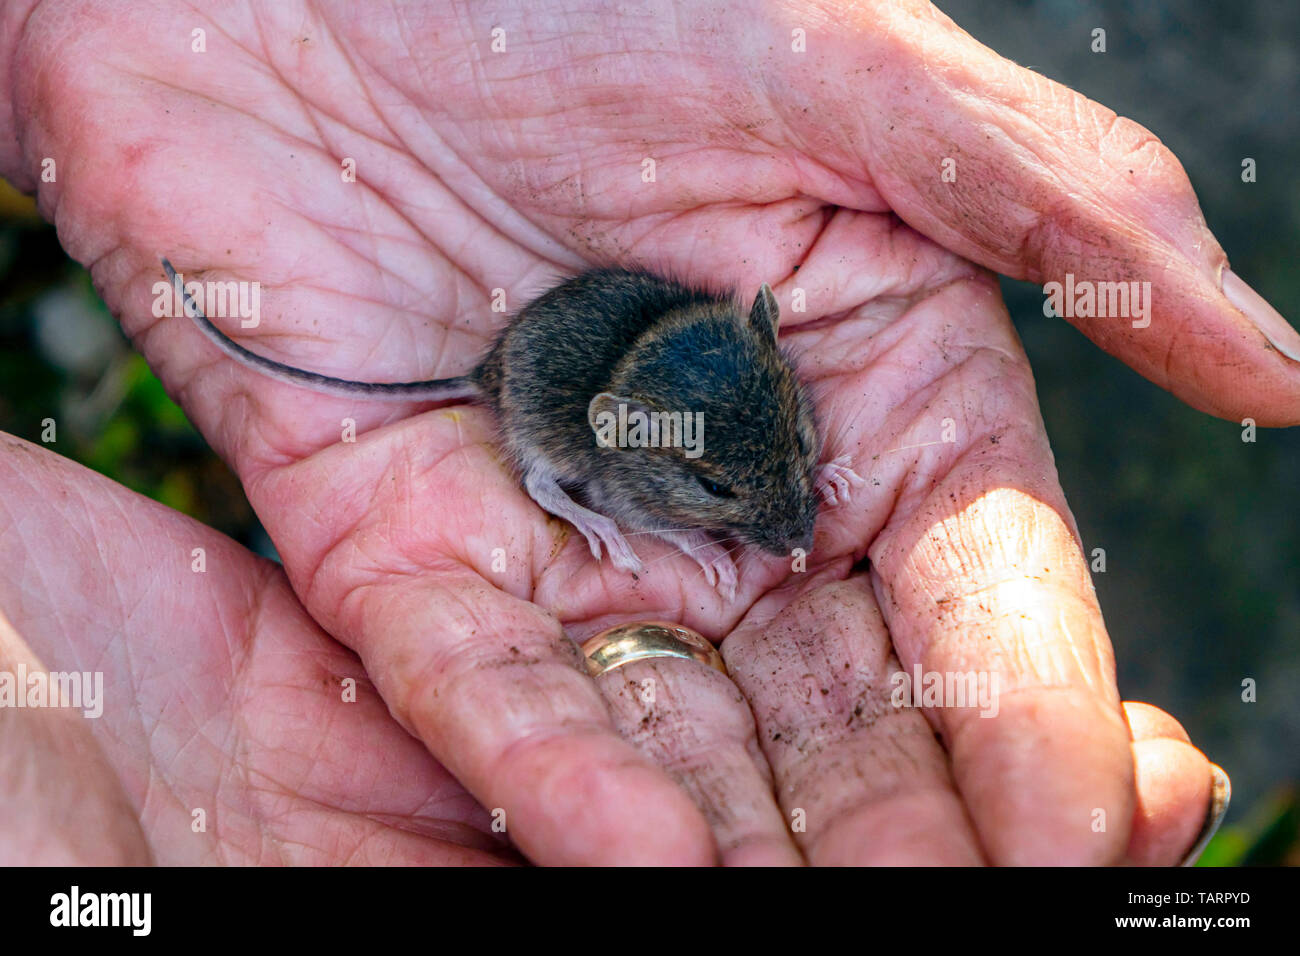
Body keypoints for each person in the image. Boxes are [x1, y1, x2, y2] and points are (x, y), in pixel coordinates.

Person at [2, 0, 1286, 865]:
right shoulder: (615, 435)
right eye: (738, 495)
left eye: (789, 461)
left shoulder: (743, 360)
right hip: (551, 397)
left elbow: (763, 422)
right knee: (564, 471)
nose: (789, 521)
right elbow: (598, 442)